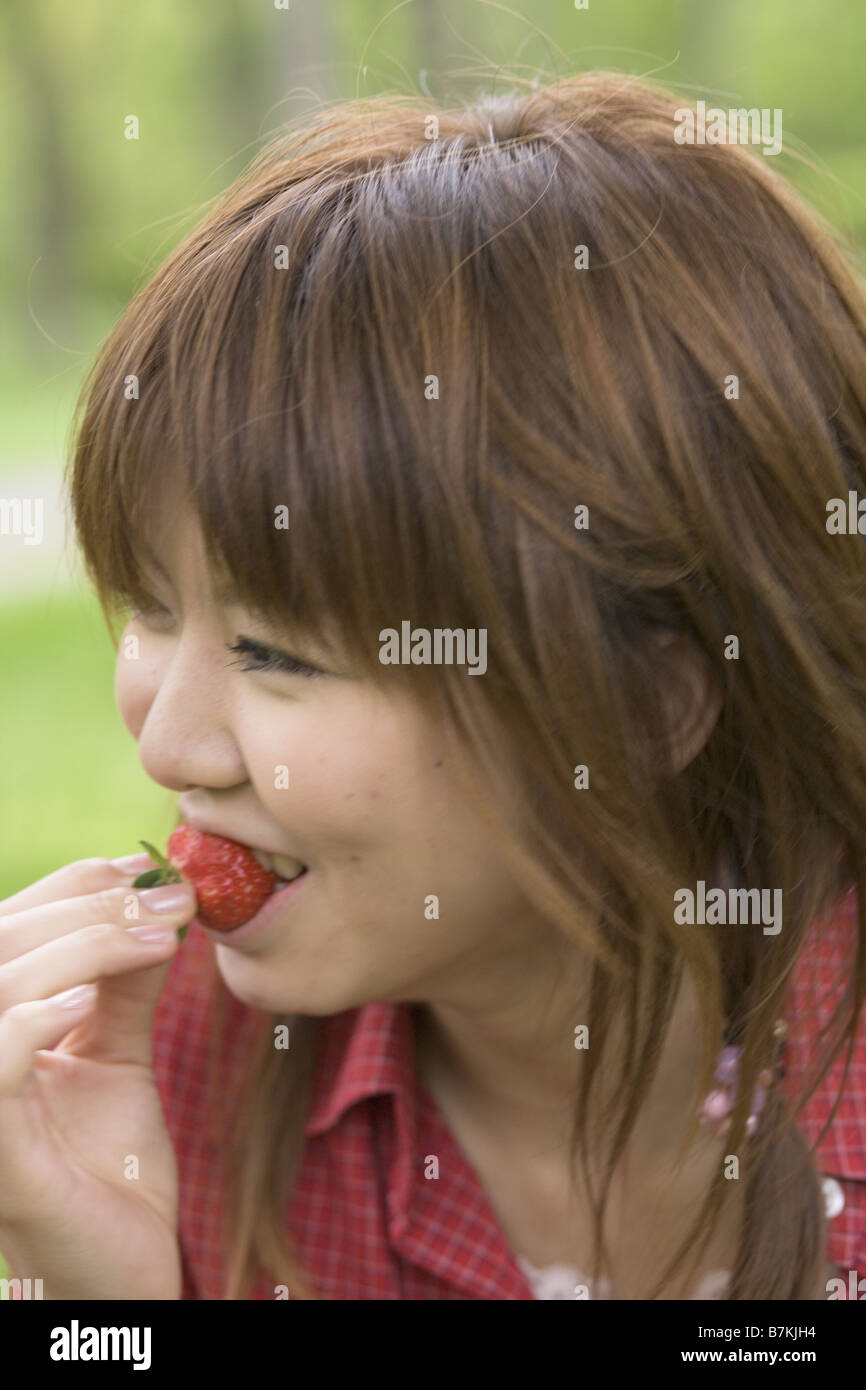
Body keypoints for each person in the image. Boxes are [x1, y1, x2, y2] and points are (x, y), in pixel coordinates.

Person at [2, 70, 865, 1300]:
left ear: (648, 705)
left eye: (278, 652)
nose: (171, 747)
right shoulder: (166, 1062)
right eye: (152, 606)